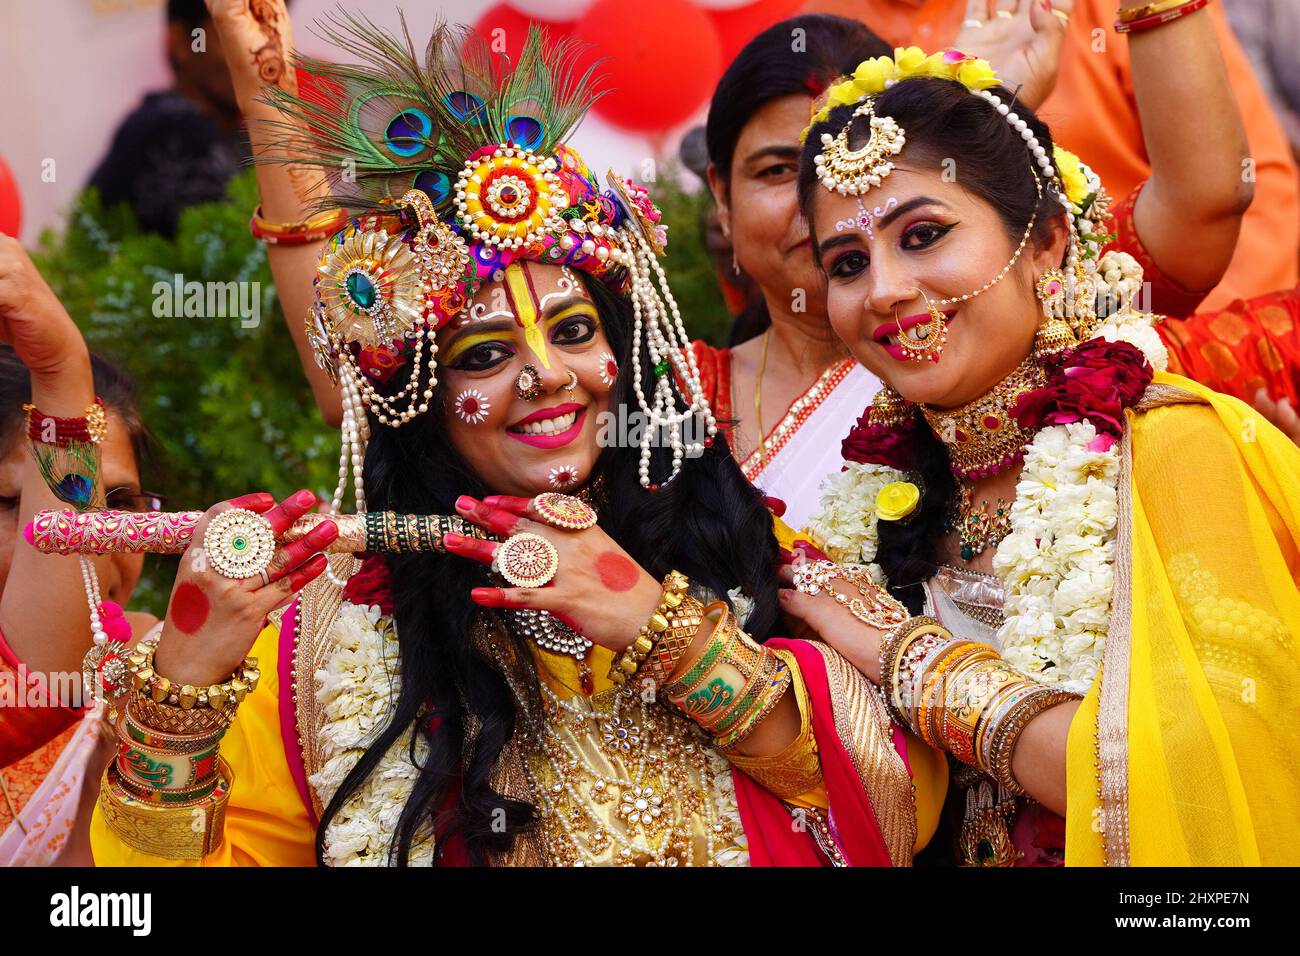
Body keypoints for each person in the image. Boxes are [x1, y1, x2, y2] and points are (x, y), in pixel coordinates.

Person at [88, 12, 950, 867]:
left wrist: (663, 630)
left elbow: (901, 798)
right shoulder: (326, 636)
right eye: (486, 354)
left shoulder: (750, 549)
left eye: (574, 332)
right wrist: (183, 694)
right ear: (420, 401)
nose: (544, 375)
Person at [782, 48, 1299, 865]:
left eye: (923, 234)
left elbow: (1199, 782)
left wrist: (901, 654)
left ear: (1048, 243)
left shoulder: (1172, 448)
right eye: (847, 264)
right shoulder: (874, 509)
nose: (882, 289)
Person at [802, 0, 1299, 311]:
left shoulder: (1088, 10)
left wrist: (1187, 360)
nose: (885, 287)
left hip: (1137, 307)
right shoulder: (813, 33)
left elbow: (1226, 195)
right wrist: (982, 107)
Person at [0, 237, 160, 865]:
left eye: (116, 504)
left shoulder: (180, 678)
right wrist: (61, 375)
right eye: (19, 502)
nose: (88, 538)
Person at [87, 0, 252, 236]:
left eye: (267, 33)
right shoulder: (170, 128)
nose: (256, 51)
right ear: (180, 42)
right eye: (232, 34)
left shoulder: (240, 129)